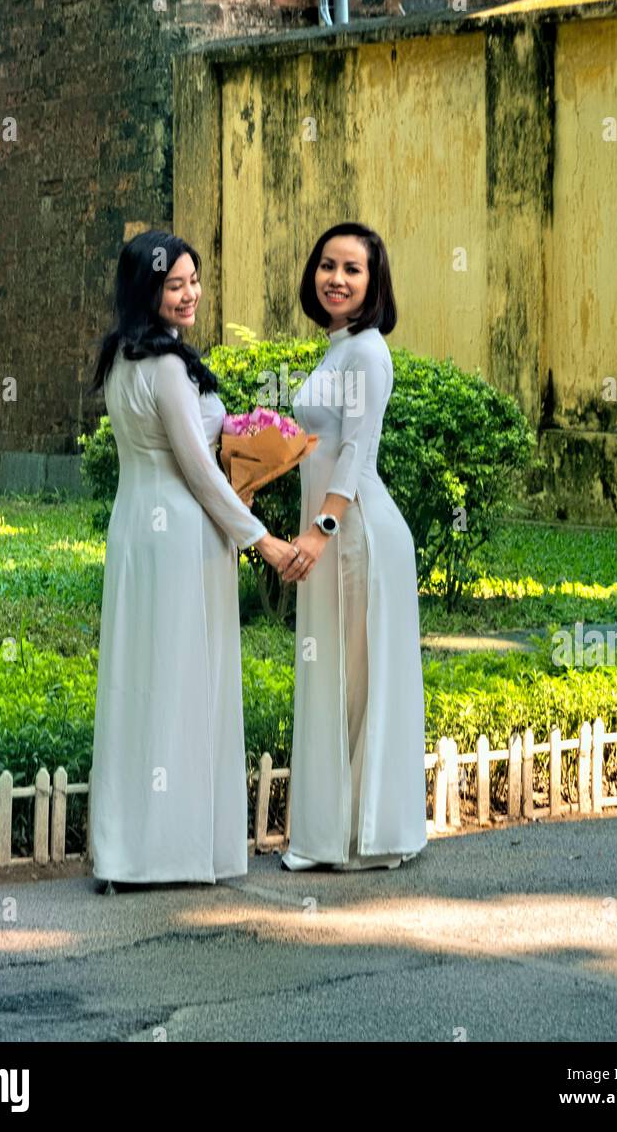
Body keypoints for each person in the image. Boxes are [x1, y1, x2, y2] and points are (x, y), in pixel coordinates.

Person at [88, 230, 293, 888]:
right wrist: (261, 538)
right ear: (147, 291)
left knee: (138, 682)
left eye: (194, 281)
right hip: (181, 533)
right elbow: (201, 474)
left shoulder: (123, 359)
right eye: (174, 284)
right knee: (183, 680)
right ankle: (177, 850)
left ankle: (131, 848)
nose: (190, 294)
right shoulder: (169, 367)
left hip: (135, 531)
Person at [278, 223, 428, 872]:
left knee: (355, 678)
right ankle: (332, 830)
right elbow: (319, 443)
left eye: (353, 270)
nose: (336, 278)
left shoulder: (368, 352)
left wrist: (321, 529)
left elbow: (357, 452)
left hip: (358, 532)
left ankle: (363, 837)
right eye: (327, 265)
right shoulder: (337, 349)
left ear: (374, 284)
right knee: (334, 674)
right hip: (337, 532)